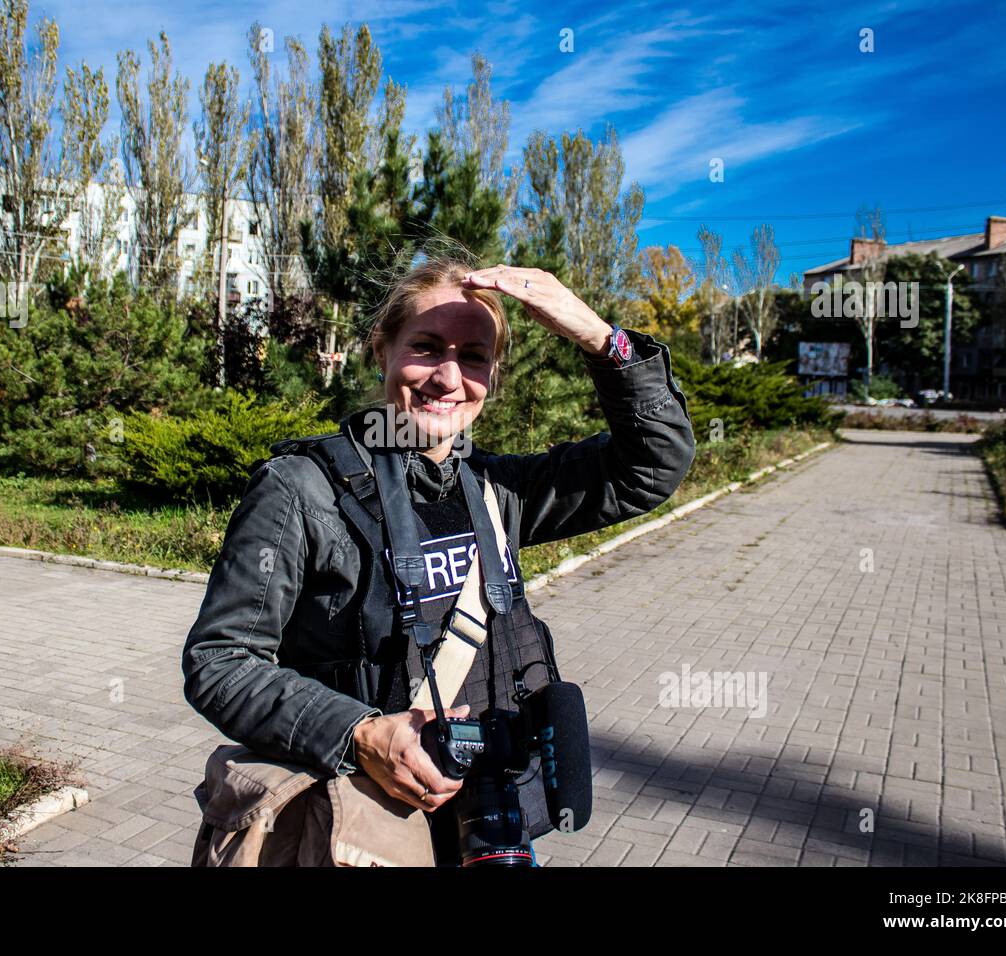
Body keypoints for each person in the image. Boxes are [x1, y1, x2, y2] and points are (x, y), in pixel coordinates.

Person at [182, 256, 695, 865]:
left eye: (474, 357)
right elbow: (220, 661)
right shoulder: (300, 491)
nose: (449, 378)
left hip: (488, 824)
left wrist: (598, 337)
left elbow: (652, 466)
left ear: (492, 374)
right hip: (360, 826)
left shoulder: (496, 490)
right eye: (426, 347)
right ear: (382, 349)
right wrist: (362, 733)